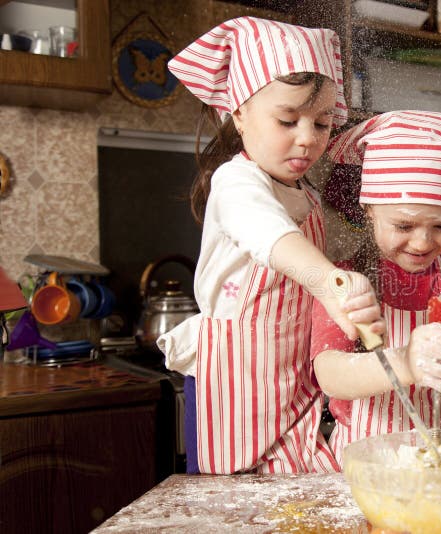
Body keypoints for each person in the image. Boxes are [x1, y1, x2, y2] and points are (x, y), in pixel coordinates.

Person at [157, 17, 384, 475]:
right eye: (287, 119)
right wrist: (327, 282)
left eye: (322, 122)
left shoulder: (309, 195)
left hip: (294, 394)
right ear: (238, 113)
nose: (308, 137)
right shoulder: (235, 182)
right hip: (236, 397)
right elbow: (268, 233)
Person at [310, 110, 441, 463]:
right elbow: (330, 375)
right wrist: (406, 363)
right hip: (355, 469)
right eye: (403, 226)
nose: (422, 243)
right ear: (369, 210)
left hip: (437, 466)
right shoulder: (343, 280)